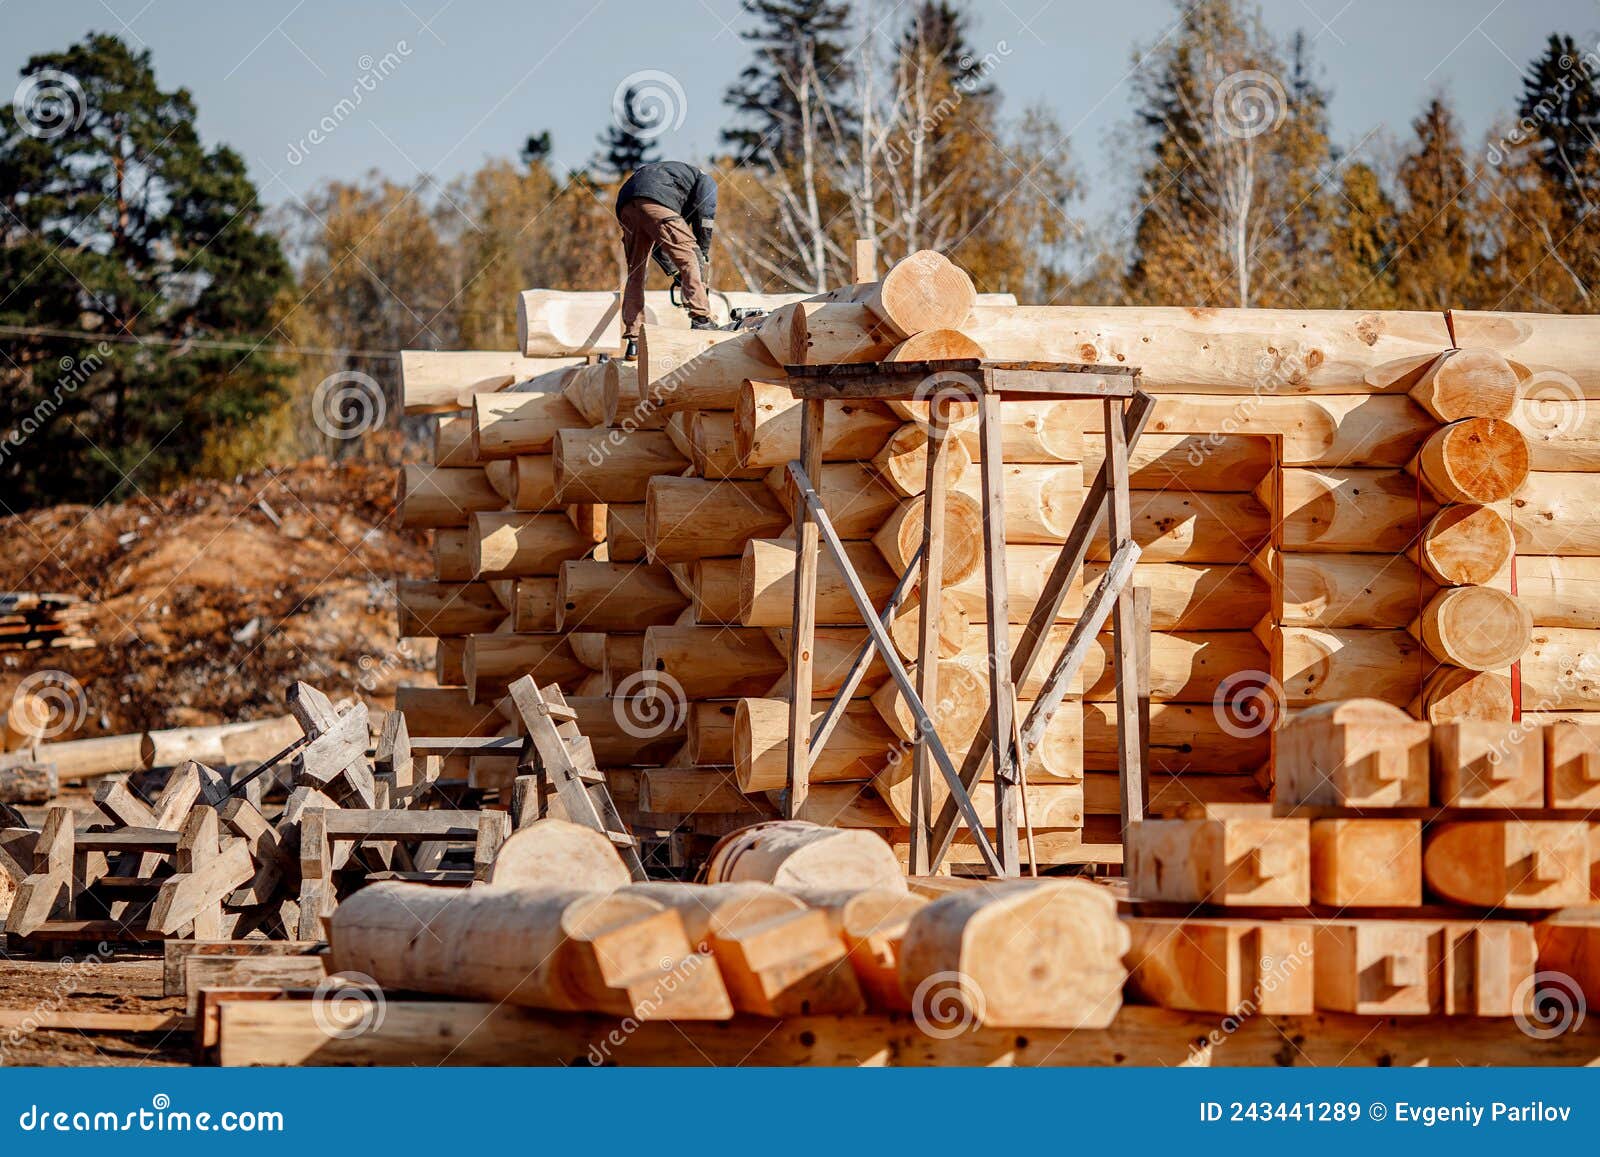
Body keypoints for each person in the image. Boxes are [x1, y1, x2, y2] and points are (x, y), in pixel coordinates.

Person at [615, 161, 717, 360]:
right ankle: (701, 317)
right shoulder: (706, 180)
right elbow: (706, 217)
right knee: (691, 258)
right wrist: (702, 252)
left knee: (636, 273)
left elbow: (659, 242)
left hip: (626, 204)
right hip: (655, 200)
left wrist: (674, 272)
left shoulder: (672, 179)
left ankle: (633, 339)